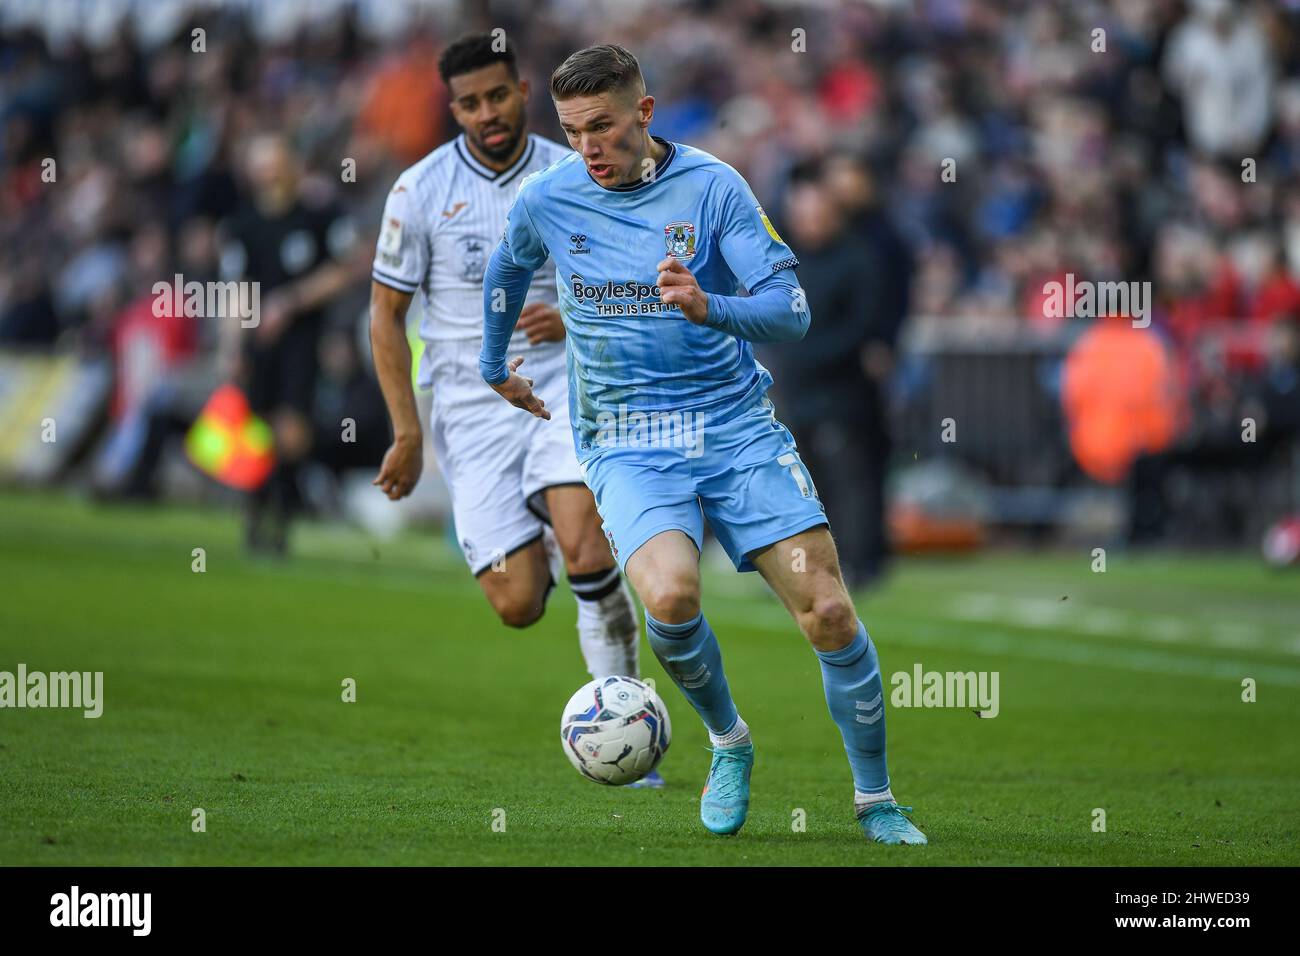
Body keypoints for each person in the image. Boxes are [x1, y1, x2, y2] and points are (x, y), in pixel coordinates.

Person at [479, 44, 926, 844]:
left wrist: (708, 305)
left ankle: (877, 800)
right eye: (573, 131)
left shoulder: (714, 187)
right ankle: (729, 742)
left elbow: (790, 310)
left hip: (733, 428)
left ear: (644, 113)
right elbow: (508, 270)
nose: (588, 146)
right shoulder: (548, 197)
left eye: (603, 126)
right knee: (671, 598)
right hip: (627, 439)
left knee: (828, 611)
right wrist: (492, 364)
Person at [368, 34, 657, 785]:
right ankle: (554, 534)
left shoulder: (578, 170)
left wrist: (575, 318)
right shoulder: (419, 190)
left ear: (523, 92)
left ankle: (628, 721)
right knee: (518, 603)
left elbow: (635, 278)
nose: (487, 112)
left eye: (498, 95)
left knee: (588, 550)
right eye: (469, 103)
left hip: (564, 385)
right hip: (469, 407)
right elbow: (385, 316)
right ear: (453, 109)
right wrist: (406, 431)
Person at [222, 132, 361, 554]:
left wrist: (292, 301)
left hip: (304, 338)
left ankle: (281, 520)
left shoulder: (319, 216)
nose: (271, 175)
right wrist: (232, 346)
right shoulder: (242, 225)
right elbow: (236, 288)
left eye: (277, 165)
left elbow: (346, 268)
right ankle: (255, 515)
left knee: (292, 428)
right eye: (263, 167)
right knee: (255, 427)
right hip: (258, 340)